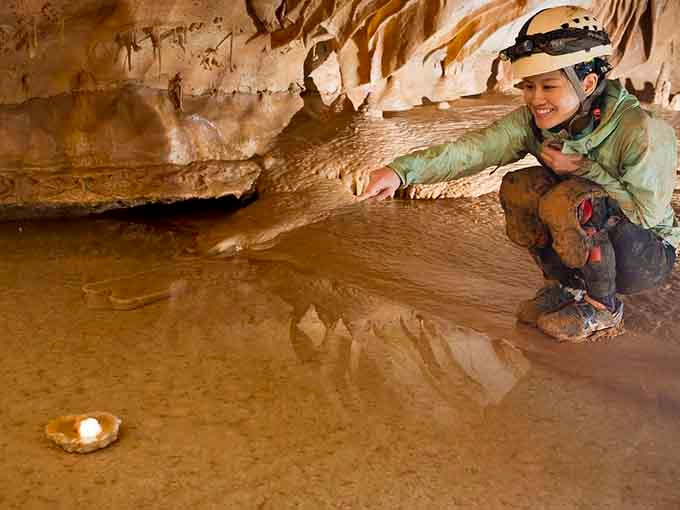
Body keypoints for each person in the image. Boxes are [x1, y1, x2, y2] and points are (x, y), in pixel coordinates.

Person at [361, 6, 679, 343]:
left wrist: (586, 169)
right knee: (521, 186)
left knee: (570, 199)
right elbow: (474, 150)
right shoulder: (532, 121)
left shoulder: (640, 132)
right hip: (598, 234)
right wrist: (400, 172)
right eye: (528, 86)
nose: (535, 98)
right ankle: (566, 288)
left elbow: (646, 214)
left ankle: (604, 308)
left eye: (548, 86)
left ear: (587, 83)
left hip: (647, 256)